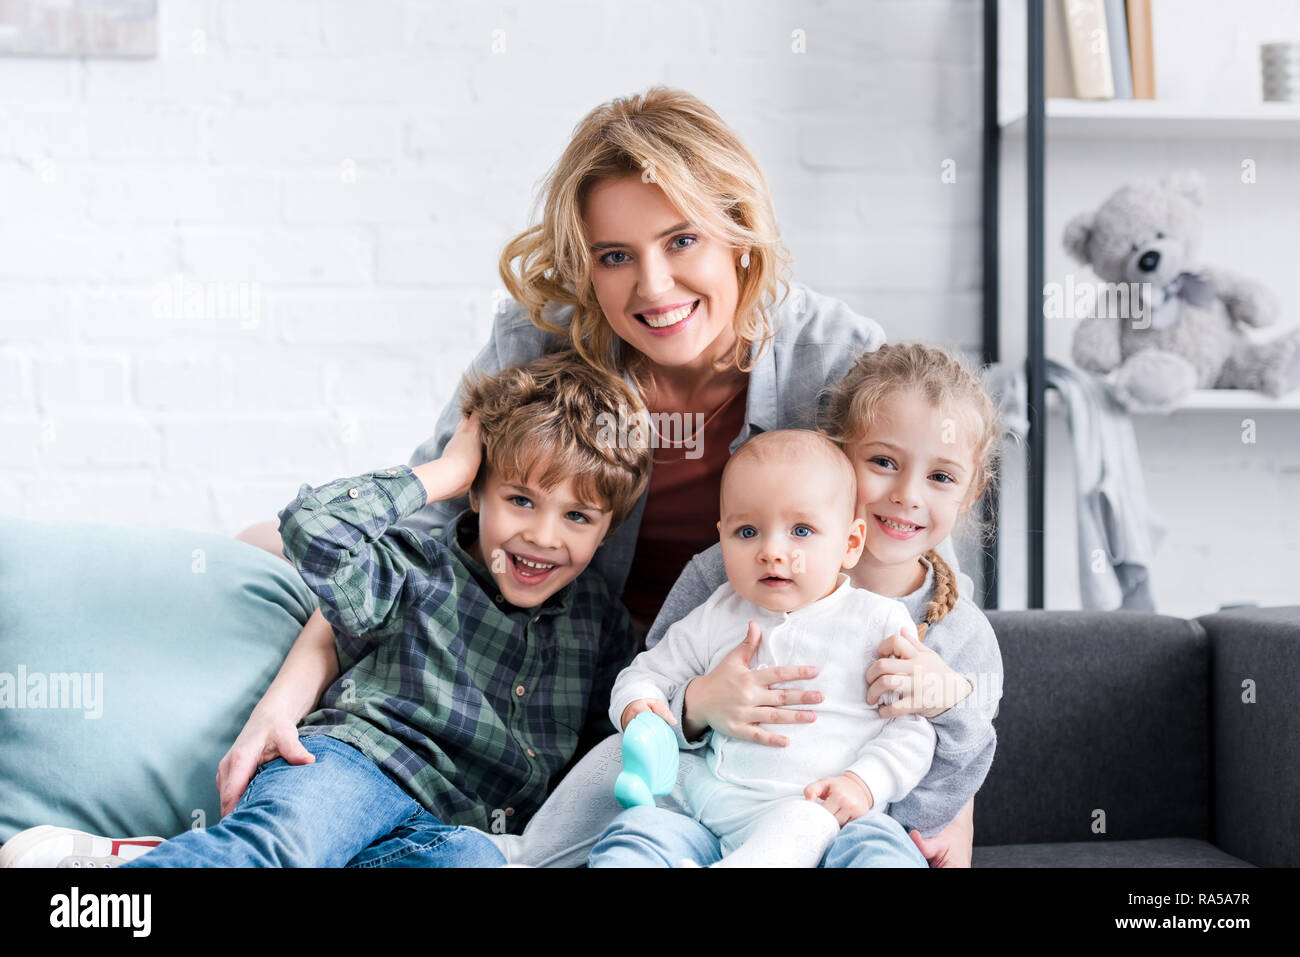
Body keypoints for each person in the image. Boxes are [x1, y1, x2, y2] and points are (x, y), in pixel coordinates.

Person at [220, 87, 982, 864]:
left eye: (682, 240)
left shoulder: (833, 359)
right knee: (255, 547)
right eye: (616, 256)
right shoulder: (539, 344)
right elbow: (420, 540)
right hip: (594, 685)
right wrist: (285, 698)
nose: (653, 287)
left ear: (740, 236)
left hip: (768, 713)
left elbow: (910, 545)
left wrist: (949, 792)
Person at [98, 353, 646, 866]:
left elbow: (615, 733)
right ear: (477, 492)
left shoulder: (599, 622)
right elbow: (311, 532)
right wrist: (448, 470)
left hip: (459, 829)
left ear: (608, 530)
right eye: (520, 500)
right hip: (355, 767)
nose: (542, 535)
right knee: (280, 847)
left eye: (577, 516)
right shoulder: (413, 569)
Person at [502, 342, 1005, 867]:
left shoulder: (954, 633)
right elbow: (656, 683)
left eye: (941, 476)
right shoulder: (731, 572)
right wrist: (697, 705)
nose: (907, 494)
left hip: (852, 827)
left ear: (971, 493)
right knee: (637, 836)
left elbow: (940, 798)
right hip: (709, 809)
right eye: (883, 461)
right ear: (836, 457)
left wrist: (945, 705)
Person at [601, 429, 936, 868]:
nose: (772, 551)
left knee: (884, 852)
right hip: (712, 817)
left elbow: (914, 728)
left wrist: (864, 783)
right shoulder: (717, 614)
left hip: (831, 823)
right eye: (747, 531)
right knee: (635, 834)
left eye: (801, 530)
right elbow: (642, 676)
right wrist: (639, 709)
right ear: (722, 539)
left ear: (850, 544)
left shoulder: (879, 623)